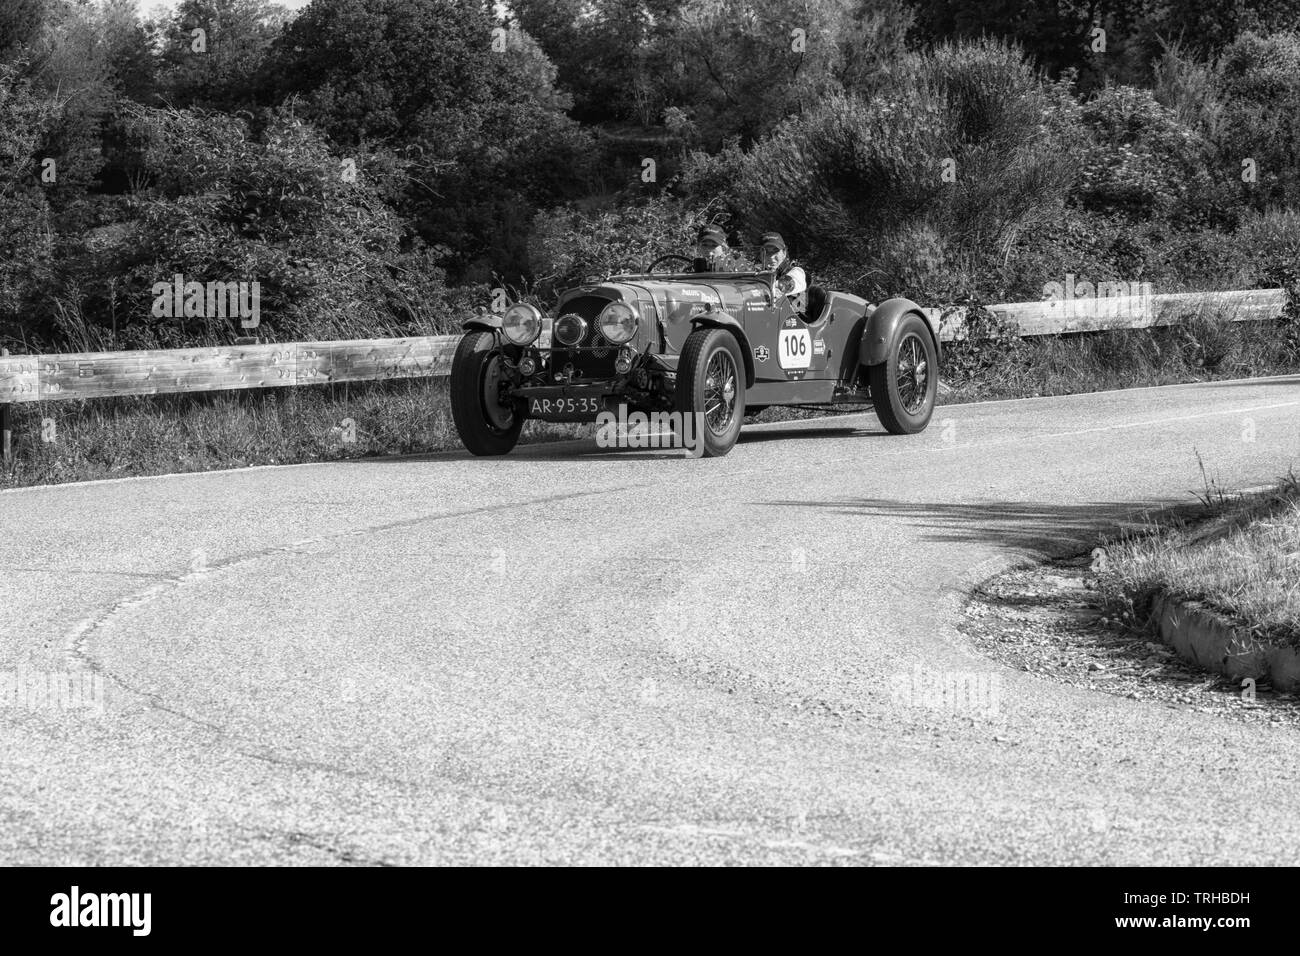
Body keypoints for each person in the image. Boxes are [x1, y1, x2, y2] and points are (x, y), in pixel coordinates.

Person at [758, 232, 807, 309]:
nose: (771, 257)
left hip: (793, 319)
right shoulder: (757, 275)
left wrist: (762, 289)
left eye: (775, 251)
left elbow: (789, 283)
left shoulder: (797, 272)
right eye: (766, 252)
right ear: (761, 255)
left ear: (784, 253)